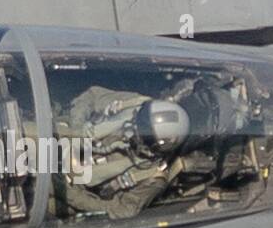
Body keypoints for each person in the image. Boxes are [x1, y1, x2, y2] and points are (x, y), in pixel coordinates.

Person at [54, 86, 192, 220]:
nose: (134, 129)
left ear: (154, 148)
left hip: (72, 187)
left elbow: (120, 210)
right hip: (61, 138)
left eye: (143, 133)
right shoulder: (134, 104)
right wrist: (77, 128)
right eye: (140, 122)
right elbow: (92, 96)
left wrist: (69, 193)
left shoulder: (152, 178)